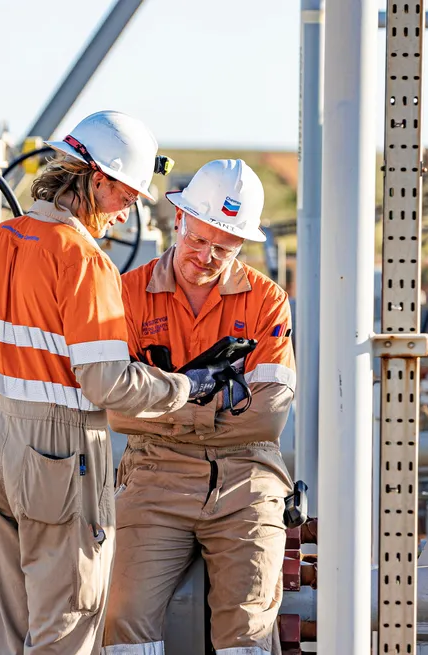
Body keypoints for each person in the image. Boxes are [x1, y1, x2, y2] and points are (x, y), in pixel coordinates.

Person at [0, 111, 223, 655]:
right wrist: (185, 387)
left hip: (0, 442)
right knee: (68, 621)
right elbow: (106, 384)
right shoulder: (84, 261)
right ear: (96, 181)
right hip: (63, 454)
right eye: (126, 196)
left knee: (10, 620)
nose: (128, 213)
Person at [102, 159, 297, 655]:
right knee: (121, 615)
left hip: (246, 479)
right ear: (178, 220)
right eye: (198, 239)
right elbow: (112, 405)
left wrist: (164, 400)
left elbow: (270, 415)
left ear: (241, 246)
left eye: (224, 247)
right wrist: (209, 400)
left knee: (248, 624)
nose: (206, 256)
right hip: (154, 476)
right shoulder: (127, 295)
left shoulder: (267, 301)